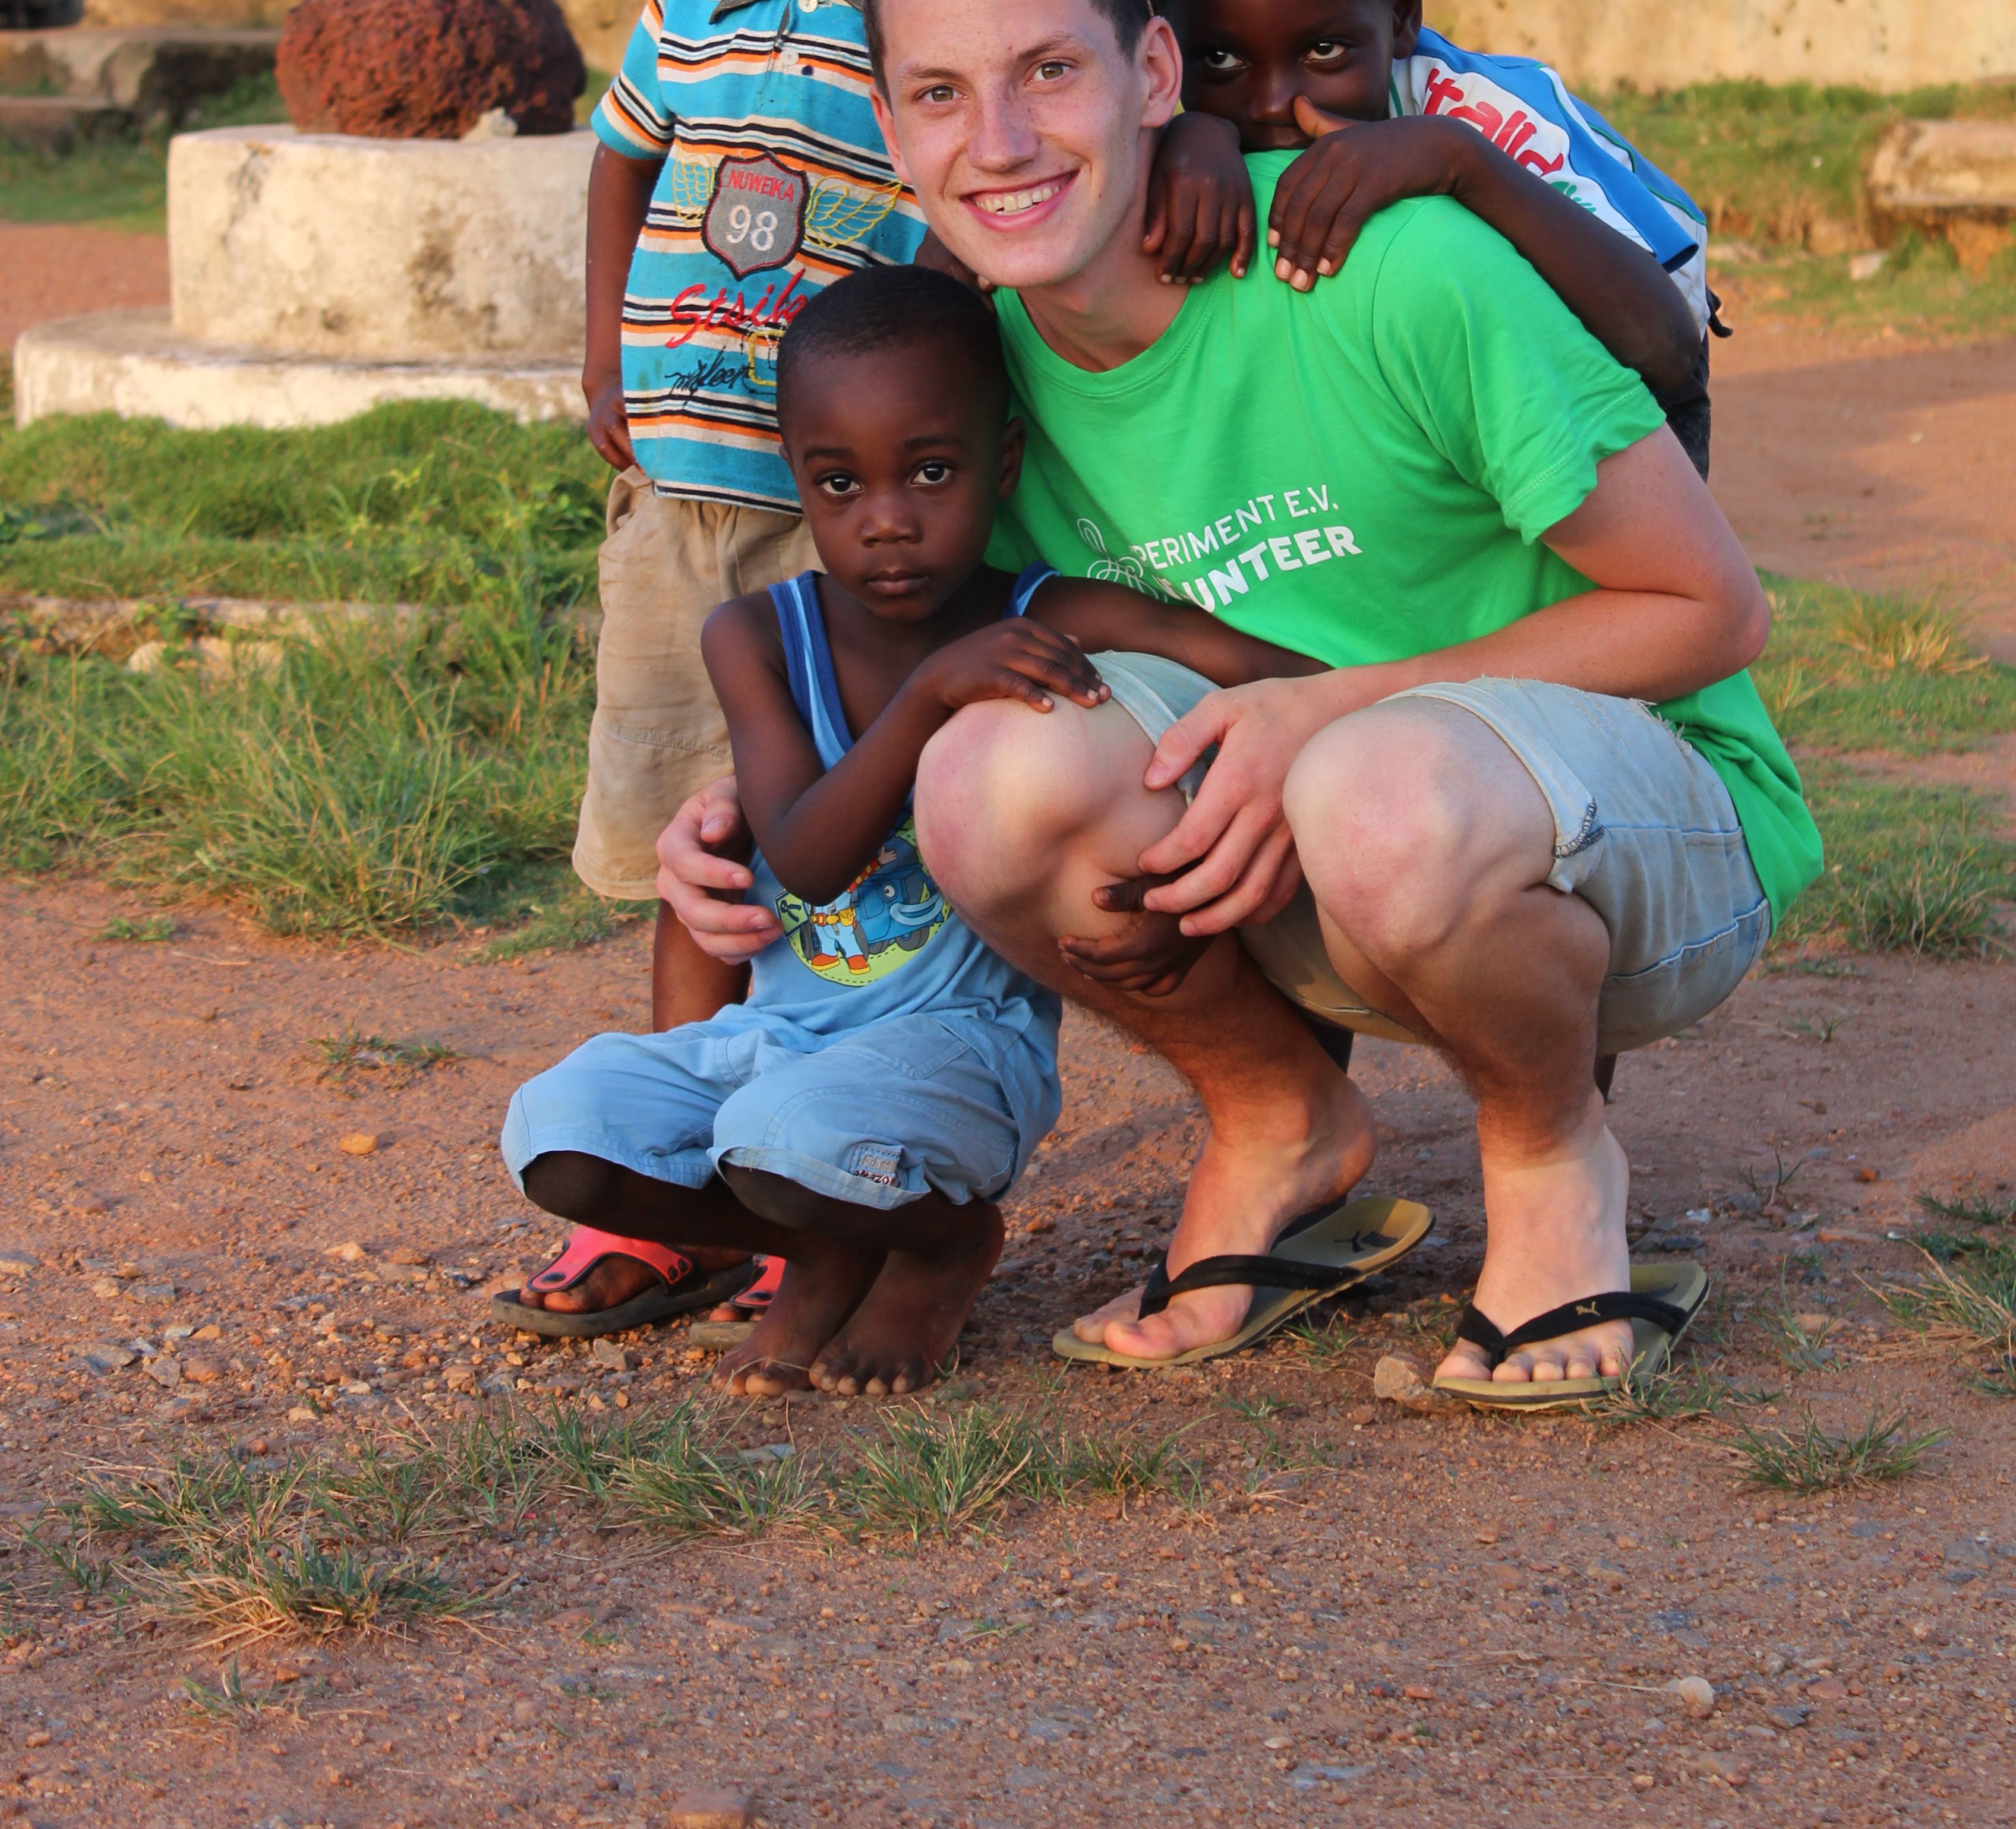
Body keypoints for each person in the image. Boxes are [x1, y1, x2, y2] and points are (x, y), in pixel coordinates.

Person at [660, 0, 1816, 1401]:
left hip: (1638, 849)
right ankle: (1281, 1120)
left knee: (1380, 785)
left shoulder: (1385, 265)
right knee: (982, 773)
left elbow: (1707, 608)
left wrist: (1326, 714)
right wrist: (752, 803)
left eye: (1048, 72)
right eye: (938, 93)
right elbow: (902, 665)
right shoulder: (970, 383)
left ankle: (1551, 1159)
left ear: (1151, 72)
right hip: (1311, 867)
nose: (996, 142)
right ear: (892, 130)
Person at [501, 266, 1386, 1398]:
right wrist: (932, 696)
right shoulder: (757, 635)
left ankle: (940, 1239)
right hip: (782, 1034)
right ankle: (828, 1242)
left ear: (1000, 463)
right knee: (558, 1128)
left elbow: (1277, 678)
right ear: (798, 480)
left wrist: (1184, 888)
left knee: (786, 1132)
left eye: (930, 472)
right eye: (839, 481)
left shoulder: (1047, 618)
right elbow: (809, 853)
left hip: (962, 1045)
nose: (887, 520)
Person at [511, 0, 986, 1334]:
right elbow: (627, 169)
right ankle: (675, 1184)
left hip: (836, 522)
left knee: (830, 850)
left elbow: (982, 223)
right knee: (683, 845)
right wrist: (599, 348)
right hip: (677, 501)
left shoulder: (950, 14)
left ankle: (817, 1176)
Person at [1137, 0, 1720, 472]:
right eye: (1219, 60)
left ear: (1402, 12)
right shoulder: (1136, 112)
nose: (1273, 105)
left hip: (1645, 366)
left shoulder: (1478, 119)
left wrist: (1458, 162)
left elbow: (1669, 353)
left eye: (1325, 50)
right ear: (1162, 39)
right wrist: (1184, 134)